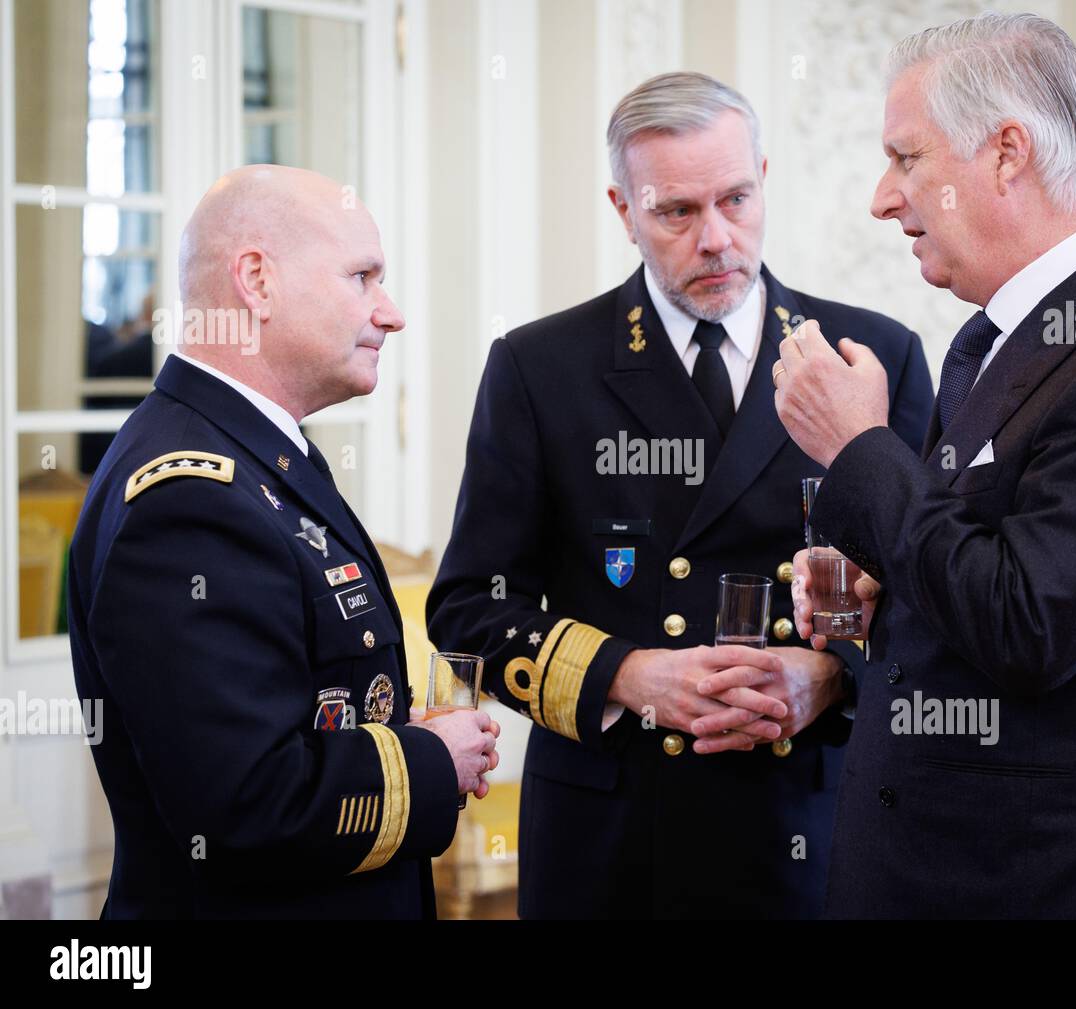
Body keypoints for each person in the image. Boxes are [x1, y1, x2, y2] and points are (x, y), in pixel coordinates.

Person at [427, 72, 933, 918]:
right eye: (676, 212)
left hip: (811, 816)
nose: (716, 239)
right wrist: (630, 673)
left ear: (764, 178)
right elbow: (470, 606)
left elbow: (932, 592)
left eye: (736, 199)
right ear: (623, 209)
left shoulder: (870, 355)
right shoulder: (539, 368)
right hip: (615, 832)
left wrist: (832, 675)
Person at [774, 12, 1076, 918]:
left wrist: (859, 450)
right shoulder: (994, 341)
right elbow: (982, 578)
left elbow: (1031, 624)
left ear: (1006, 154)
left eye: (906, 158)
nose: (881, 196)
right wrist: (887, 601)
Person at [67, 165, 500, 919]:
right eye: (362, 277)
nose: (390, 313)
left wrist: (399, 735)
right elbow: (246, 805)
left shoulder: (252, 451)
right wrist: (430, 761)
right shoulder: (189, 494)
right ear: (257, 282)